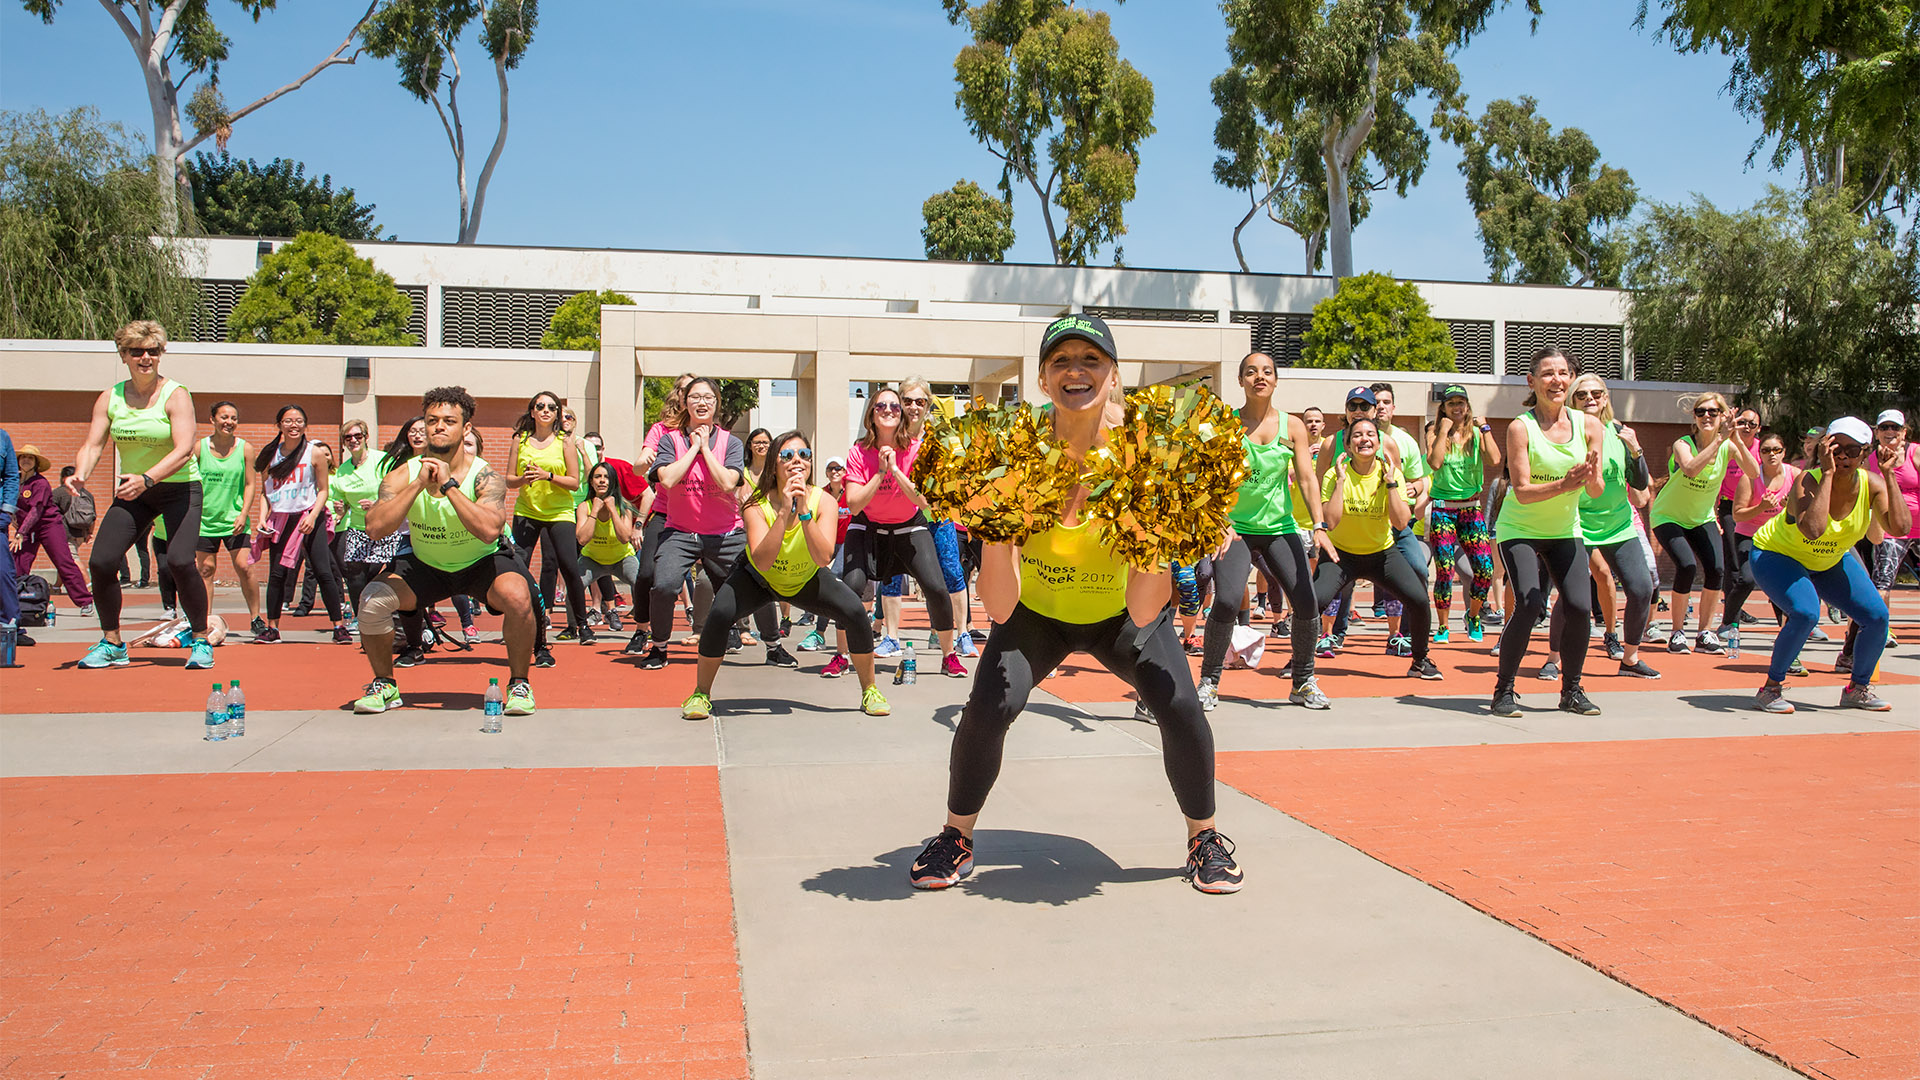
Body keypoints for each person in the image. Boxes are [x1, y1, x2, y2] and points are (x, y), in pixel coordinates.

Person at [908, 314, 1243, 896]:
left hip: (1119, 615)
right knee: (988, 707)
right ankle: (955, 836)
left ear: (1114, 376)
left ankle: (1204, 837)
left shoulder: (1150, 457)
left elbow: (1144, 612)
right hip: (1036, 615)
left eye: (1091, 360)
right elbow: (1002, 606)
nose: (1076, 371)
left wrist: (1159, 530)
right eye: (1061, 361)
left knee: (1181, 705)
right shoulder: (1015, 453)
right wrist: (994, 524)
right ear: (1042, 380)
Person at [354, 386, 541, 715]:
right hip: (427, 564)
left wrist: (449, 487)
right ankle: (385, 684)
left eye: (449, 421)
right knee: (371, 602)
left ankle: (519, 684)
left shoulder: (486, 477)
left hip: (481, 563)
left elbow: (488, 531)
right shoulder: (402, 474)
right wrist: (417, 486)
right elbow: (374, 528)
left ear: (465, 428)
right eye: (432, 420)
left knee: (518, 595)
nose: (439, 426)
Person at [681, 431, 890, 719]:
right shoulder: (756, 503)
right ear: (774, 464)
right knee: (719, 614)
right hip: (758, 579)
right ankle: (700, 693)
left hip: (804, 579)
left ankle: (870, 690)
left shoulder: (823, 501)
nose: (797, 461)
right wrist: (784, 515)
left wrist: (803, 513)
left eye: (804, 455)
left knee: (854, 611)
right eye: (787, 455)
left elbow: (823, 557)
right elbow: (764, 562)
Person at [67, 321, 214, 669]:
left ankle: (202, 638)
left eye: (153, 351)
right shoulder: (111, 397)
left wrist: (147, 479)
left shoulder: (175, 394)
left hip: (179, 489)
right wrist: (80, 474)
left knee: (179, 561)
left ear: (161, 355)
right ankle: (113, 643)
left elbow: (183, 449)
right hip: (136, 491)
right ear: (124, 355)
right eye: (137, 351)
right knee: (101, 562)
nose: (145, 357)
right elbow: (93, 444)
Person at [1199, 351, 1335, 712]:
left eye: (1267, 372)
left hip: (1279, 528)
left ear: (1275, 380)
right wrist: (1219, 521)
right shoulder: (1226, 424)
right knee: (1226, 600)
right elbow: (1208, 476)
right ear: (1240, 380)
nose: (1260, 377)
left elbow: (1307, 478)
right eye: (1251, 372)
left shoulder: (1292, 426)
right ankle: (1209, 682)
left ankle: (1303, 682)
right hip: (1237, 529)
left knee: (1306, 602)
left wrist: (1319, 526)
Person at [1749, 417, 1911, 713]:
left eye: (1853, 450)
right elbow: (1813, 529)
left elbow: (1900, 528)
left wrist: (1889, 475)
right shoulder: (1808, 480)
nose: (1844, 456)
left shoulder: (1871, 483)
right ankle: (1770, 689)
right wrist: (1827, 474)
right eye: (1836, 448)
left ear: (1866, 453)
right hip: (1777, 555)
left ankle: (1857, 689)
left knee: (1876, 617)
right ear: (1825, 449)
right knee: (1805, 612)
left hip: (1829, 559)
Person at [1489, 347, 1608, 718]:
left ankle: (1571, 690)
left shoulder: (1590, 425)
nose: (1556, 380)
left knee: (1579, 606)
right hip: (1519, 527)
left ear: (1570, 379)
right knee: (1529, 603)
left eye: (1562, 373)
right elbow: (1521, 491)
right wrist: (1565, 482)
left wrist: (1589, 481)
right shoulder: (1519, 427)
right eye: (1547, 374)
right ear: (1532, 381)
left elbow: (1596, 488)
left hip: (1564, 529)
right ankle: (1503, 690)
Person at [638, 377, 777, 668]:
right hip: (680, 532)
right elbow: (668, 478)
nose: (702, 403)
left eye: (708, 398)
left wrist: (705, 450)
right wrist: (693, 448)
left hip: (725, 533)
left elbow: (728, 482)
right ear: (685, 403)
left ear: (716, 404)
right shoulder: (670, 440)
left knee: (760, 581)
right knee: (662, 585)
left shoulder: (732, 442)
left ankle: (774, 645)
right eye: (695, 397)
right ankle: (659, 647)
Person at [828, 386, 966, 680]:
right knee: (850, 586)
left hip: (908, 525)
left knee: (936, 587)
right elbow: (853, 505)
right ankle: (841, 655)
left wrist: (896, 470)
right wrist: (879, 472)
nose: (888, 410)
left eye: (894, 405)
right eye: (881, 406)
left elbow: (923, 501)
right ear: (871, 415)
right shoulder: (858, 452)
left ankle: (948, 655)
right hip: (868, 526)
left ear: (901, 414)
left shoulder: (916, 449)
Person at [1544, 374, 1661, 680]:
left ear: (1606, 398)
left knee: (1641, 588)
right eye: (1581, 395)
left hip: (1619, 524)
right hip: (1578, 523)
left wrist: (1636, 450)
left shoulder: (1620, 432)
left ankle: (1631, 658)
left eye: (1596, 393)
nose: (1590, 399)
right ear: (1572, 401)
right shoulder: (1564, 432)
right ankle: (1553, 658)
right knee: (1572, 594)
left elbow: (1638, 484)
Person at [1313, 416, 1445, 681]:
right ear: (1348, 446)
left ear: (1379, 442)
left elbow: (1401, 521)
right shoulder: (1333, 474)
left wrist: (1392, 482)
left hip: (1381, 555)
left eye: (1371, 434)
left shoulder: (1392, 474)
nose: (1365, 439)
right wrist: (1340, 481)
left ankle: (1420, 660)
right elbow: (1333, 521)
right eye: (1358, 435)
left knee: (1419, 600)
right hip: (1341, 555)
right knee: (1311, 603)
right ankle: (1300, 660)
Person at [1649, 391, 1761, 654]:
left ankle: (1704, 633)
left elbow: (1754, 472)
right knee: (1687, 565)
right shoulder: (1683, 444)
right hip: (1669, 516)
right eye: (1701, 412)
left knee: (1717, 569)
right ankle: (1677, 632)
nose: (1707, 416)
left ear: (1723, 415)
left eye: (1713, 412)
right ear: (1695, 417)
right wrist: (1720, 440)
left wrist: (1736, 440)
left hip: (1701, 517)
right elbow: (1690, 468)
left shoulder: (1728, 445)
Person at [250, 405, 350, 644]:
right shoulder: (269, 454)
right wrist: (262, 517)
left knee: (323, 571)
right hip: (281, 520)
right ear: (279, 425)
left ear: (305, 425)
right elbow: (265, 492)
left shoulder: (314, 453)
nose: (293, 425)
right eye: (288, 421)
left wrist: (313, 516)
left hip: (308, 517)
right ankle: (272, 627)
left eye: (298, 421)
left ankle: (338, 626)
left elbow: (324, 490)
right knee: (277, 574)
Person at [506, 390, 591, 643]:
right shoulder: (519, 440)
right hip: (527, 511)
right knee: (517, 566)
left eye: (551, 407)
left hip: (559, 512)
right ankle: (522, 621)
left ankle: (582, 624)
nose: (545, 410)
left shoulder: (564, 441)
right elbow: (509, 480)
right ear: (532, 411)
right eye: (540, 406)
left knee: (568, 566)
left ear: (557, 414)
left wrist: (548, 476)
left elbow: (575, 482)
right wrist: (524, 479)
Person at [1423, 384, 1500, 643]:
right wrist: (1443, 431)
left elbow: (1494, 459)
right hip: (1444, 510)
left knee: (1484, 569)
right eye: (1451, 403)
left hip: (1470, 509)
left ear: (1467, 406)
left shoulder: (1477, 434)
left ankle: (1473, 616)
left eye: (1461, 402)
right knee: (1444, 569)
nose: (1457, 407)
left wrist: (1486, 428)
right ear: (1443, 408)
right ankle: (1443, 626)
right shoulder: (1435, 431)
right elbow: (1434, 463)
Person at [1728, 429, 1803, 674]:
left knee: (1783, 589)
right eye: (1766, 451)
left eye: (1776, 450)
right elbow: (1738, 514)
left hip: (1780, 539)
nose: (1771, 455)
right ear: (1759, 454)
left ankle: (1789, 648)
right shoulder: (1750, 477)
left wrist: (1789, 506)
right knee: (1747, 579)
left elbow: (1806, 509)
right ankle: (1729, 620)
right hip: (1750, 534)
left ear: (1784, 453)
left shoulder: (1795, 475)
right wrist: (1761, 506)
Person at [190, 402, 262, 634]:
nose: (228, 422)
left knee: (244, 567)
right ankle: (205, 622)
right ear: (212, 419)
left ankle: (256, 618)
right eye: (224, 417)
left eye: (233, 418)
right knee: (206, 570)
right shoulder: (199, 448)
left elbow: (251, 484)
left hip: (235, 520)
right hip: (205, 521)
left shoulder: (245, 449)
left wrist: (244, 514)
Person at [10, 444, 94, 614]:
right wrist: (13, 520)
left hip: (48, 526)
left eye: (30, 458)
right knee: (17, 562)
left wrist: (20, 532)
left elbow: (37, 510)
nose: (26, 460)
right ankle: (15, 603)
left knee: (64, 562)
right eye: (23, 457)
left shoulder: (40, 482)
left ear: (36, 463)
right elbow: (9, 503)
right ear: (18, 461)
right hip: (27, 530)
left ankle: (85, 601)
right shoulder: (14, 481)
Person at [575, 461, 653, 639]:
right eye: (597, 477)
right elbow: (582, 539)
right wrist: (595, 510)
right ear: (592, 482)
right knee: (575, 585)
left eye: (606, 477)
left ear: (612, 482)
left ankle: (645, 628)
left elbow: (624, 537)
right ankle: (579, 627)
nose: (602, 481)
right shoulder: (584, 507)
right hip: (592, 559)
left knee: (643, 584)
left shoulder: (623, 507)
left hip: (621, 559)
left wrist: (612, 509)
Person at [1715, 406, 1763, 625]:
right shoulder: (1725, 445)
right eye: (1743, 422)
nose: (1746, 427)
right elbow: (1714, 478)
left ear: (1758, 429)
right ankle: (1732, 611)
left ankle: (1739, 605)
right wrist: (1713, 512)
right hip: (1728, 507)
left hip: (1757, 509)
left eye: (1752, 424)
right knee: (1733, 561)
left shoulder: (1763, 450)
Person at [0, 428, 22, 646]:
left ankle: (11, 625)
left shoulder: (3, 437)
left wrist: (7, 511)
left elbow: (11, 476)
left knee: (3, 571)